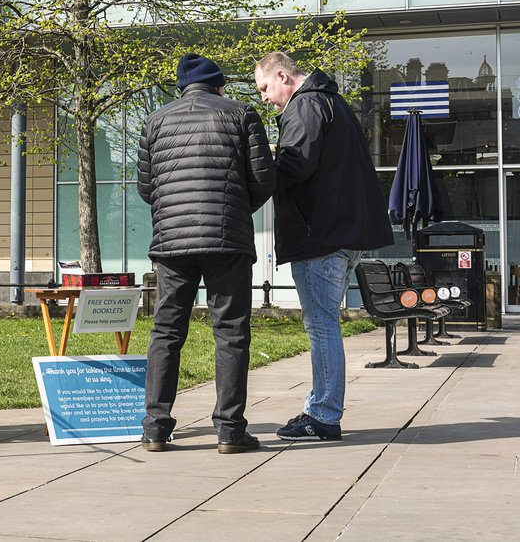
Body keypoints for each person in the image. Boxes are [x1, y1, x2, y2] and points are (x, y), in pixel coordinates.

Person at [138, 53, 275, 454]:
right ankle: (230, 430)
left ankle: (156, 428)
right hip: (226, 240)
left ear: (183, 87)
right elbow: (263, 179)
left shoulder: (155, 121)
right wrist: (231, 208)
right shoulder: (241, 114)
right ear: (219, 85)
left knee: (165, 332)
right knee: (230, 332)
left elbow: (147, 188)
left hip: (172, 244)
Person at [253, 52, 393, 442]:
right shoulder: (333, 102)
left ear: (283, 75)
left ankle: (323, 415)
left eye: (265, 88)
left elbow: (296, 167)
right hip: (344, 234)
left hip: (321, 236)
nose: (265, 98)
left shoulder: (306, 105)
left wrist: (262, 160)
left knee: (321, 325)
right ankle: (322, 408)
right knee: (324, 324)